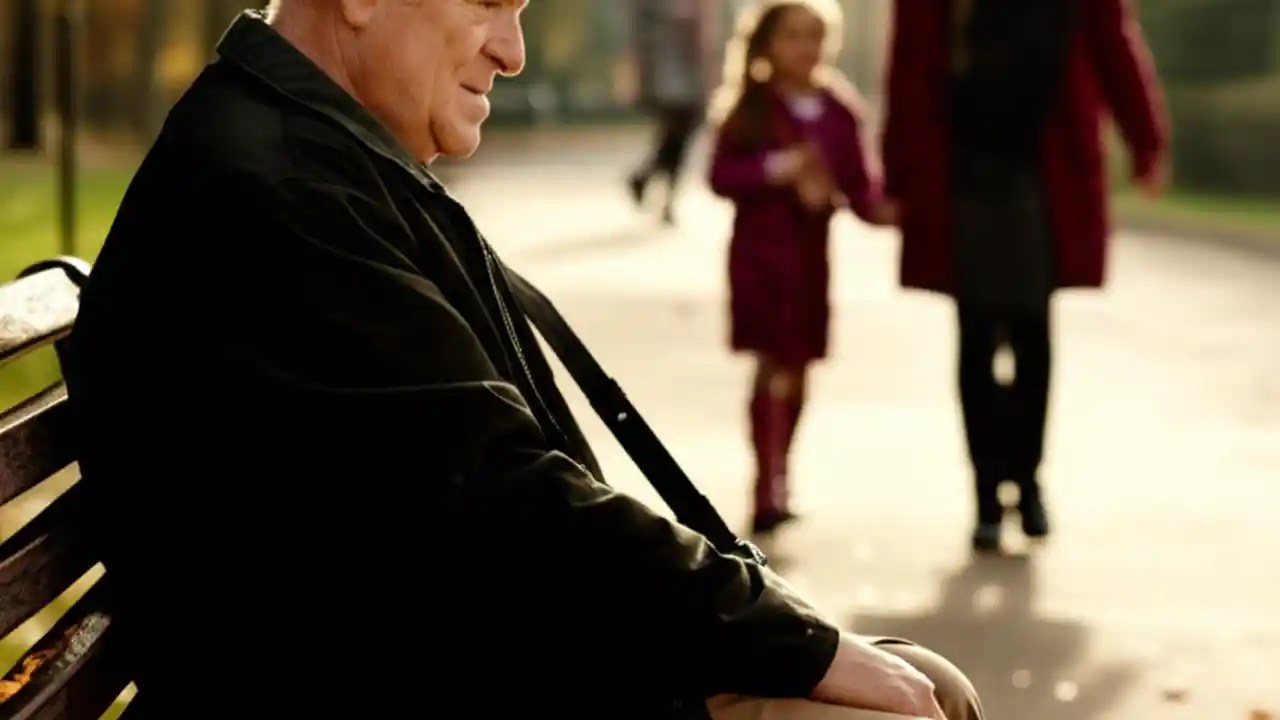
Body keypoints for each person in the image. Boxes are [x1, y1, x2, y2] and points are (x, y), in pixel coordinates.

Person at [62, 2, 979, 718]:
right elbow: (508, 497)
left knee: (922, 683)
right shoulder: (275, 192)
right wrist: (795, 643)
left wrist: (773, 633)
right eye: (488, 3)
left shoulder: (316, 157)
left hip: (457, 660)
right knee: (900, 707)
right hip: (407, 689)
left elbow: (489, 499)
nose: (513, 52)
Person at [880, 0, 1169, 551]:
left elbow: (1113, 45)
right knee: (977, 335)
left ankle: (1029, 479)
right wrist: (899, 171)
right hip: (960, 169)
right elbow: (910, 67)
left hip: (1041, 168)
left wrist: (1146, 140)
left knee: (1032, 333)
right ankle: (987, 494)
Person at [708, 1, 896, 535]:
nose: (804, 48)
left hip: (812, 264)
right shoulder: (752, 107)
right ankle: (766, 480)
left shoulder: (840, 112)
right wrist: (777, 169)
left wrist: (908, 210)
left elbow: (863, 192)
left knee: (800, 366)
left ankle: (783, 466)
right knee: (772, 363)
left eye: (814, 36)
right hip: (760, 259)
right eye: (792, 36)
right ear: (768, 43)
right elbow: (720, 176)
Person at [626, 0, 708, 225]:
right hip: (664, 73)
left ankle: (647, 180)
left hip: (689, 73)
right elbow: (638, 35)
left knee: (679, 137)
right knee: (675, 135)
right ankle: (658, 191)